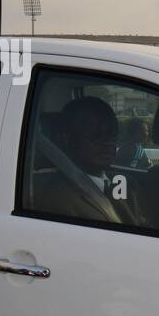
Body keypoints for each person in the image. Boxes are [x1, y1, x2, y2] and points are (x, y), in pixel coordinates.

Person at [36, 96, 140, 225]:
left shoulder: (125, 183)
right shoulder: (57, 198)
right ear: (68, 139)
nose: (107, 142)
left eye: (112, 135)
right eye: (95, 135)